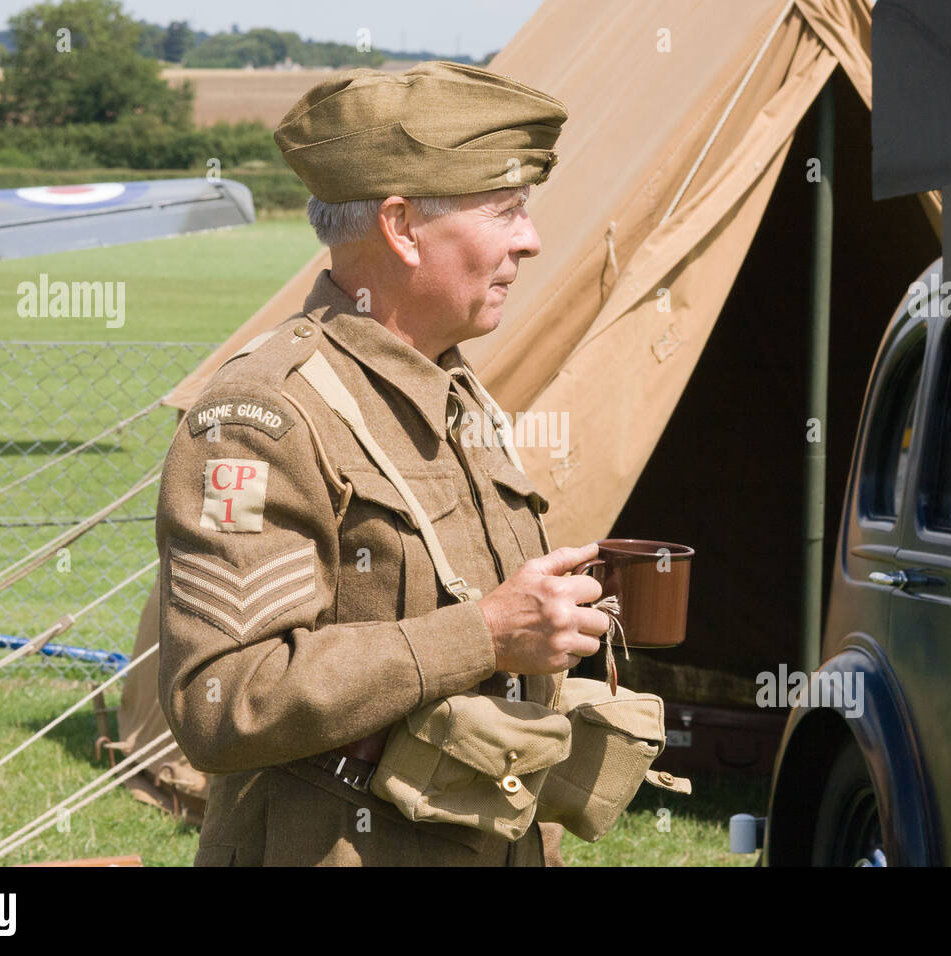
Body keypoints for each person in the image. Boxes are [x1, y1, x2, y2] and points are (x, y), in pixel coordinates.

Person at [156, 61, 610, 866]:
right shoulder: (264, 416)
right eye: (505, 211)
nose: (530, 240)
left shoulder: (455, 390)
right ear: (400, 227)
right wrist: (485, 633)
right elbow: (220, 698)